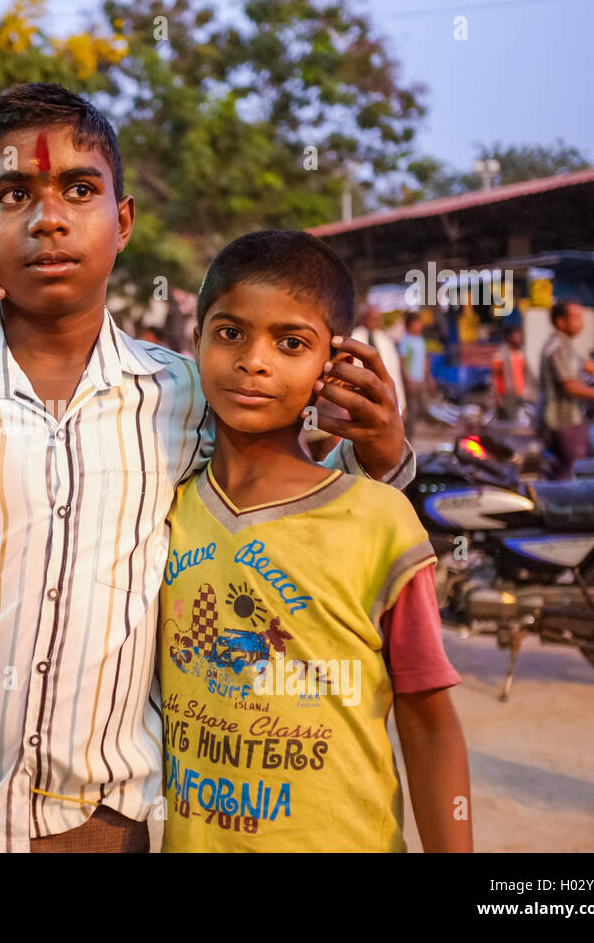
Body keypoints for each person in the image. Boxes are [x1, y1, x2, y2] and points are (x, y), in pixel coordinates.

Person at [0, 83, 413, 853]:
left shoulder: (187, 397)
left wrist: (381, 455)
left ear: (121, 222)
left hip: (102, 833)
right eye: (15, 193)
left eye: (78, 189)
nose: (48, 217)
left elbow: (298, 502)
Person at [158, 230, 471, 852]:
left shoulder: (379, 520)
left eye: (292, 343)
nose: (254, 360)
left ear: (335, 365)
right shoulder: (160, 510)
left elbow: (429, 721)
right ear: (195, 342)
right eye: (230, 333)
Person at [538, 301, 594, 480]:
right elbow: (571, 386)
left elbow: (589, 366)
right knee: (572, 469)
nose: (581, 323)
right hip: (563, 419)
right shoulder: (558, 346)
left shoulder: (566, 344)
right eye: (576, 318)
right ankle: (562, 506)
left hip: (568, 418)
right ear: (561, 322)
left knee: (568, 466)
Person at [352, 304, 405, 413]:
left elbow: (394, 373)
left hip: (386, 395)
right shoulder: (354, 338)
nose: (376, 321)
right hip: (362, 397)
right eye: (372, 318)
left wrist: (401, 403)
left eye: (377, 319)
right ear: (363, 318)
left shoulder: (385, 340)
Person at [398, 311, 433, 440]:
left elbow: (424, 360)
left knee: (422, 407)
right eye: (418, 323)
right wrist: (408, 380)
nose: (420, 325)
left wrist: (429, 378)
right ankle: (407, 438)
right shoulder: (405, 341)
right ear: (411, 325)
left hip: (421, 379)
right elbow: (403, 362)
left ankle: (415, 434)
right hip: (411, 380)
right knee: (411, 410)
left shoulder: (420, 340)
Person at [491, 321, 528, 421]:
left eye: (520, 336)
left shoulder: (520, 353)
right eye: (516, 336)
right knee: (509, 423)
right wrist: (497, 397)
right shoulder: (500, 355)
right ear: (509, 338)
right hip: (506, 396)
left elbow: (525, 373)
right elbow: (495, 377)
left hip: (520, 395)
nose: (518, 339)